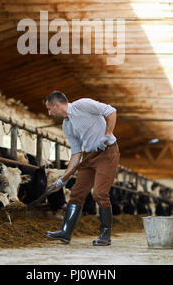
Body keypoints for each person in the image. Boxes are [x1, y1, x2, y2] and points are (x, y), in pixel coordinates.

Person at [43, 91, 120, 246]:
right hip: (88, 156)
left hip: (107, 152)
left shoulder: (83, 104)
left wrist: (107, 134)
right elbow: (76, 153)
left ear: (56, 105)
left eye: (49, 109)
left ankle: (105, 235)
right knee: (77, 193)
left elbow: (111, 111)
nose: (49, 113)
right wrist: (63, 178)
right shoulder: (67, 124)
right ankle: (65, 232)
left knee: (99, 193)